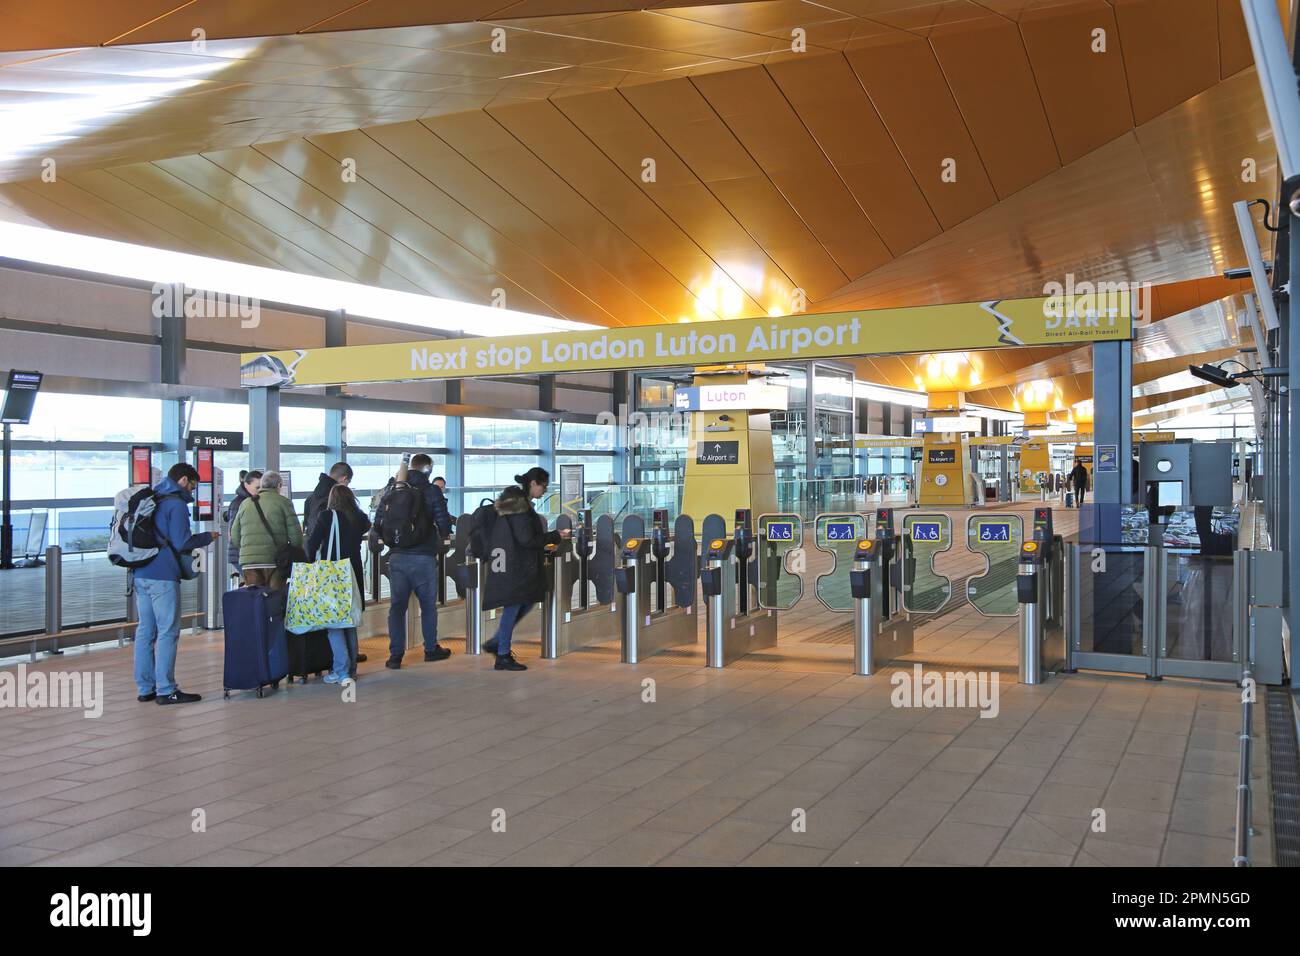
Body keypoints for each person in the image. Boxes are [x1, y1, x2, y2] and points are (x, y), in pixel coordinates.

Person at [133, 463, 216, 705]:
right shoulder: (176, 504)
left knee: (145, 632)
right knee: (168, 631)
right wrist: (206, 537)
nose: (193, 489)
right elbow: (182, 542)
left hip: (141, 572)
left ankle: (145, 688)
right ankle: (166, 689)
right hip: (163, 575)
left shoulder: (153, 497)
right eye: (192, 484)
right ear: (182, 480)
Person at [481, 467, 570, 672]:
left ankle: (497, 643)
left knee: (526, 602)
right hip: (516, 566)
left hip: (512, 564)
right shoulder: (520, 508)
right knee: (513, 607)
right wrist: (555, 535)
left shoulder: (515, 505)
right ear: (532, 484)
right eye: (544, 486)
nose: (545, 490)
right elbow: (527, 539)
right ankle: (502, 654)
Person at [383, 453, 454, 669]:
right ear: (428, 470)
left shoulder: (395, 487)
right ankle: (430, 649)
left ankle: (395, 655)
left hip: (397, 555)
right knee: (428, 606)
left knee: (397, 607)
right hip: (423, 556)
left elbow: (380, 517)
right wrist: (444, 535)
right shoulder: (431, 490)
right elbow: (442, 520)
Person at [306, 484, 371, 684]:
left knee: (334, 623)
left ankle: (341, 670)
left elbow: (312, 544)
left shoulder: (328, 517)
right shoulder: (360, 518)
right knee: (349, 622)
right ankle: (351, 669)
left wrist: (309, 565)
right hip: (353, 573)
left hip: (333, 575)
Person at [228, 470, 303, 590]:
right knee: (274, 598)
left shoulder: (246, 504)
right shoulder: (284, 502)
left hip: (249, 562)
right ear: (279, 485)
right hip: (274, 561)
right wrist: (290, 551)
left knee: (255, 598)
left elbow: (235, 536)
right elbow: (296, 538)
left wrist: (247, 550)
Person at [224, 469, 262, 575]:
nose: (260, 491)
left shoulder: (249, 501)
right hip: (240, 554)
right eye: (257, 487)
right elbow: (233, 532)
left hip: (244, 554)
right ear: (246, 484)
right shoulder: (239, 503)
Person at [304, 462, 353, 541]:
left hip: (313, 542)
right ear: (344, 479)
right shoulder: (339, 498)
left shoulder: (311, 498)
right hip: (331, 544)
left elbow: (307, 522)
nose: (347, 486)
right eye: (348, 482)